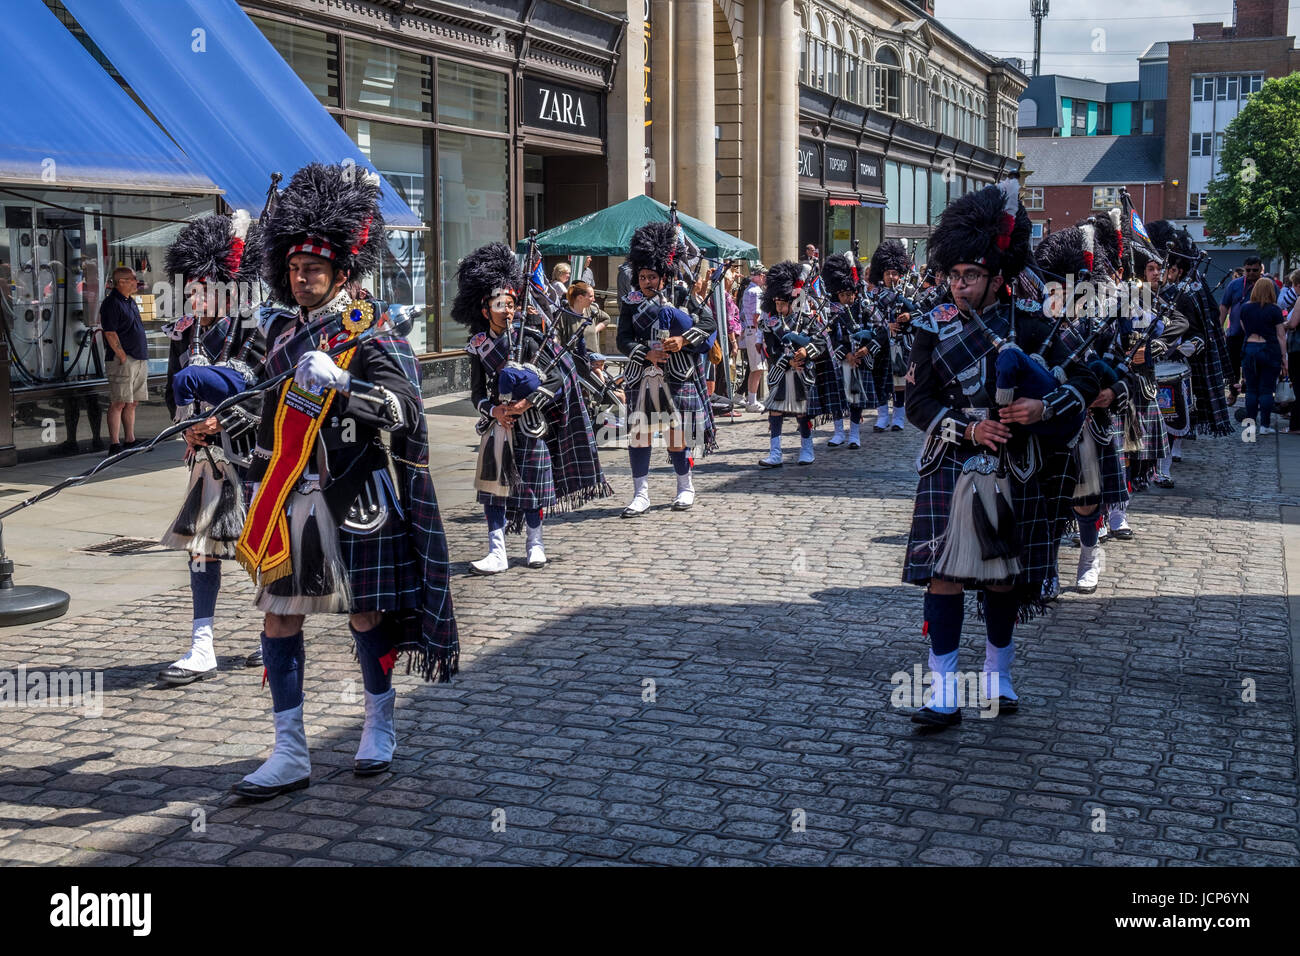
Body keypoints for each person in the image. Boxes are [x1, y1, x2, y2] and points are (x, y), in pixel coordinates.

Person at [232, 163, 458, 799]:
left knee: (365, 617)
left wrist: (345, 384)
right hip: (286, 497)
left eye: (316, 270)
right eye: (296, 269)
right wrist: (218, 422)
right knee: (279, 620)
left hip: (355, 492)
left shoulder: (373, 330)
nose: (303, 280)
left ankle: (379, 725)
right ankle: (290, 751)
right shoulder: (273, 333)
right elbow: (257, 408)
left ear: (342, 273)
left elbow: (406, 411)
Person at [901, 180, 1099, 728]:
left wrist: (1043, 407)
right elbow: (917, 401)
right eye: (953, 275)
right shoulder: (931, 326)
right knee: (941, 573)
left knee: (1001, 579)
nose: (959, 286)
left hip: (1016, 467)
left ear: (997, 276)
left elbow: (1087, 374)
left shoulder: (1033, 324)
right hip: (949, 462)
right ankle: (942, 689)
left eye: (971, 276)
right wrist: (967, 429)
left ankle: (996, 676)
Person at [156, 211, 268, 685]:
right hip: (206, 457)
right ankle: (202, 644)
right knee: (201, 548)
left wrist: (223, 416)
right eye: (190, 285)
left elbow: (265, 390)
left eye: (204, 285)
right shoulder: (184, 332)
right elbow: (170, 392)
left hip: (250, 454)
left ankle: (275, 631)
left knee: (260, 549)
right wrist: (187, 427)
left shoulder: (256, 328)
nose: (194, 294)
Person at [455, 243, 611, 574]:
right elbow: (476, 394)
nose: (507, 311)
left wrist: (527, 401)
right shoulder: (478, 347)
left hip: (530, 423)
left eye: (511, 305)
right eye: (500, 305)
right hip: (500, 426)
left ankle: (534, 543)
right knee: (493, 490)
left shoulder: (529, 338)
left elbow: (556, 378)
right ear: (486, 310)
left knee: (531, 488)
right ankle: (496, 551)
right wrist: (493, 411)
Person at [617, 221, 716, 515]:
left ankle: (685, 487)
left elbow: (709, 324)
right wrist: (645, 352)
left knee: (676, 436)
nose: (647, 281)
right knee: (641, 435)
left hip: (678, 373)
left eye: (652, 276)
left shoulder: (682, 295)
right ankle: (641, 495)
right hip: (644, 374)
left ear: (664, 276)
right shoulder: (630, 302)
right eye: (643, 276)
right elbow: (623, 339)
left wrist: (682, 339)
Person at [757, 260, 818, 466]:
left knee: (801, 411)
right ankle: (775, 453)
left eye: (783, 304)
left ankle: (807, 449)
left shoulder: (806, 319)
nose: (779, 307)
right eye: (776, 304)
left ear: (792, 302)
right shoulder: (770, 323)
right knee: (776, 410)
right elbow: (770, 349)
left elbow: (819, 343)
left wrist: (804, 352)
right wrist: (788, 361)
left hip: (801, 371)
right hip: (781, 370)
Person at [820, 250, 877, 448]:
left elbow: (879, 331)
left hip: (860, 359)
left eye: (849, 294)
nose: (846, 298)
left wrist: (867, 349)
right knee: (836, 397)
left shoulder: (864, 308)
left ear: (855, 292)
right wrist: (845, 354)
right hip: (840, 359)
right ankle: (838, 433)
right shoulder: (831, 311)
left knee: (855, 399)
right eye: (842, 295)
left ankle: (854, 434)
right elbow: (828, 336)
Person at [98, 266, 149, 453]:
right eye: (133, 279)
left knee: (132, 401)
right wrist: (121, 356)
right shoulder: (112, 303)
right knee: (119, 401)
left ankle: (130, 439)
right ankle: (114, 443)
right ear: (121, 282)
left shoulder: (130, 301)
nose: (137, 282)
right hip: (124, 360)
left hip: (138, 357)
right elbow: (110, 333)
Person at [867, 239, 913, 433]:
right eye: (888, 274)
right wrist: (887, 326)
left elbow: (919, 315)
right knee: (880, 381)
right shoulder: (873, 296)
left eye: (895, 273)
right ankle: (882, 417)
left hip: (901, 343)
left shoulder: (906, 294)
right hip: (881, 343)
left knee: (900, 382)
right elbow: (869, 319)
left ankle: (899, 418)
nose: (891, 277)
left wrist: (908, 316)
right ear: (882, 275)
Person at [1239, 276, 1287, 433]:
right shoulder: (1275, 310)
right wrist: (1284, 358)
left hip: (1250, 348)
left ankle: (1250, 427)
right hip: (1269, 349)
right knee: (1267, 390)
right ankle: (1265, 426)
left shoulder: (1245, 308)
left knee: (1251, 390)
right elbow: (1280, 335)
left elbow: (1244, 328)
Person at [1220, 256, 1264, 402]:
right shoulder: (1234, 285)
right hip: (1235, 333)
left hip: (1257, 336)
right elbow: (1224, 305)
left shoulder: (1266, 285)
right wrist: (1219, 326)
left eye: (1255, 270)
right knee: (1232, 365)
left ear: (1260, 269)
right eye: (1248, 270)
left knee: (1252, 366)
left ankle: (1250, 394)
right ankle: (1233, 392)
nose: (1251, 273)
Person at [739, 265, 767, 412]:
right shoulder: (756, 291)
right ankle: (752, 401)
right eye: (762, 275)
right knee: (758, 369)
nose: (764, 278)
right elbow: (757, 315)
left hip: (750, 330)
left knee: (755, 368)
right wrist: (761, 334)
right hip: (755, 331)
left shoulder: (748, 290)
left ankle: (751, 400)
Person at [566, 280, 609, 354]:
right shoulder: (565, 314)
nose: (594, 299)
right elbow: (557, 336)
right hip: (574, 360)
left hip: (593, 358)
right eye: (591, 296)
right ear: (580, 297)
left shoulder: (592, 310)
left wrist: (595, 329)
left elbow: (607, 319)